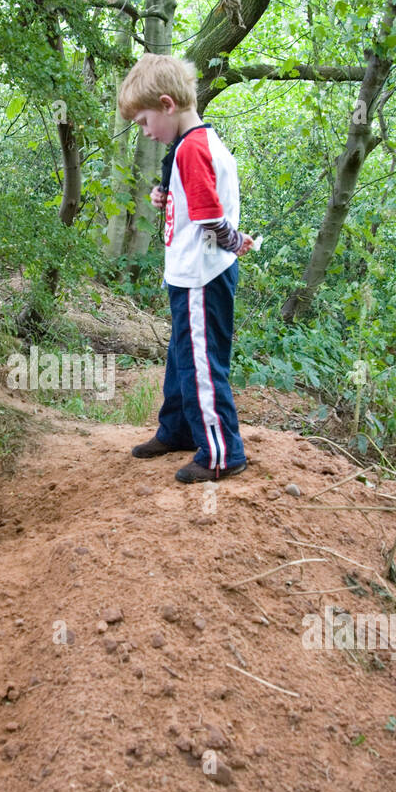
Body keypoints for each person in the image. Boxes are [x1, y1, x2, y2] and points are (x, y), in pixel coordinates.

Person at [117, 53, 254, 483]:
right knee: (181, 358)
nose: (145, 132)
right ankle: (177, 429)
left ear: (166, 104)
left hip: (202, 275)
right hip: (190, 272)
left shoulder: (193, 149)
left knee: (201, 363)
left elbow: (211, 219)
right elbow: (193, 198)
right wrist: (165, 196)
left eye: (143, 122)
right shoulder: (190, 146)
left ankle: (221, 453)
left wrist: (237, 242)